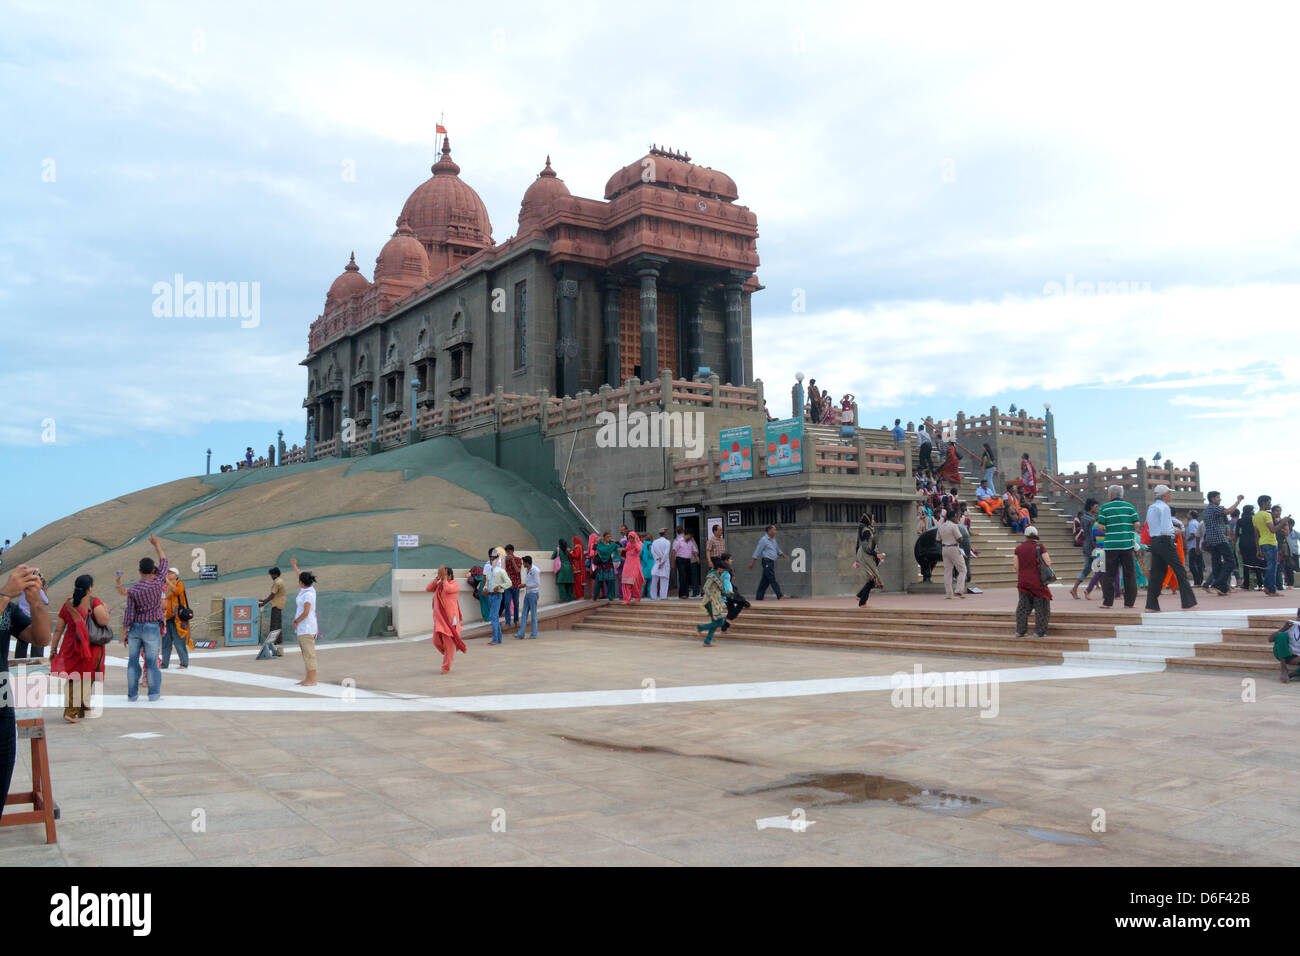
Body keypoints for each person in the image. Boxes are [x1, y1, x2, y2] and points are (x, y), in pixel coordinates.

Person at [1, 563, 51, 820]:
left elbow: (41, 638)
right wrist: (6, 594)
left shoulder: (6, 609)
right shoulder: (3, 601)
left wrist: (35, 601)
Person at [50, 574, 110, 723]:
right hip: (89, 647)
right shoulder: (93, 602)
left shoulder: (68, 605)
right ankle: (71, 712)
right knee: (84, 679)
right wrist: (106, 610)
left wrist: (53, 649)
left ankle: (82, 708)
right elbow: (103, 621)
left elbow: (58, 629)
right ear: (90, 587)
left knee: (73, 678)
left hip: (71, 646)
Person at [118, 534, 169, 702]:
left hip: (135, 628)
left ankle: (132, 695)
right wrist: (157, 545)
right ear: (153, 570)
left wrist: (125, 632)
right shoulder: (157, 583)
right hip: (152, 627)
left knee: (133, 661)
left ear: (139, 571)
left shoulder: (133, 590)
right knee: (152, 661)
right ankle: (153, 694)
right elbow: (164, 563)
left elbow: (129, 613)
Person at [1143, 485, 1197, 612]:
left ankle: (1151, 605)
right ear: (1164, 495)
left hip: (1155, 541)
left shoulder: (1152, 507)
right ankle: (1188, 602)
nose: (1170, 496)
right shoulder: (1164, 507)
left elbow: (1151, 526)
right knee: (1180, 570)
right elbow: (1166, 528)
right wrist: (1175, 531)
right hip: (1165, 540)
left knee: (1157, 572)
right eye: (1169, 493)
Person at [1096, 485, 1140, 609]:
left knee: (1108, 574)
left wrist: (1110, 531)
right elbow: (1136, 524)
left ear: (1110, 495)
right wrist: (1126, 531)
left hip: (1111, 545)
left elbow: (1100, 527)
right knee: (1130, 574)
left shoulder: (1104, 508)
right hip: (1127, 545)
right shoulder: (1129, 506)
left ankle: (1108, 602)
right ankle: (1129, 603)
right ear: (1122, 495)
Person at [1201, 491, 1245, 595]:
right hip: (1220, 538)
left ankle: (1222, 588)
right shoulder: (1214, 508)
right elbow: (1228, 511)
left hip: (1211, 539)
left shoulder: (1206, 510)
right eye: (1217, 497)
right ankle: (1218, 583)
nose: (1219, 499)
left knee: (1216, 563)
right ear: (1212, 499)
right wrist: (1238, 501)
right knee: (1231, 562)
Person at [1014, 527, 1053, 637]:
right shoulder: (1040, 547)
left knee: (1023, 607)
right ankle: (1039, 632)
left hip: (1023, 582)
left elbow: (1016, 566)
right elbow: (1048, 563)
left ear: (1025, 536)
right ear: (1036, 535)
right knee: (1042, 608)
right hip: (1037, 583)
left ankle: (1020, 631)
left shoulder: (1019, 549)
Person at [425, 566, 465, 672]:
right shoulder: (439, 585)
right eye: (443, 574)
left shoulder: (454, 584)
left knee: (448, 643)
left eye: (445, 574)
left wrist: (445, 580)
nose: (443, 577)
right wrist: (437, 578)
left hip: (450, 619)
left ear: (450, 575)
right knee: (435, 641)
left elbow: (448, 589)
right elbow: (428, 589)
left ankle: (446, 666)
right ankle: (449, 652)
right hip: (439, 619)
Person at [289, 557, 319, 684]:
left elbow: (306, 612)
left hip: (307, 627)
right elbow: (300, 575)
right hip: (303, 628)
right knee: (305, 654)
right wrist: (295, 566)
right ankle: (308, 678)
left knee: (309, 654)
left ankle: (312, 680)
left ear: (301, 583)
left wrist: (296, 621)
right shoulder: (307, 588)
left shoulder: (308, 594)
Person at [1255, 496, 1290, 595]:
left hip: (1262, 543)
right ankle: (1271, 589)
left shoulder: (1256, 516)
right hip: (1270, 542)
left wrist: (1258, 549)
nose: (1270, 505)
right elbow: (1273, 530)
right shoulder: (1266, 515)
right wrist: (1283, 521)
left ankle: (1268, 587)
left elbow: (1256, 534)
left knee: (1270, 566)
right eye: (1269, 503)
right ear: (1264, 503)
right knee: (1272, 567)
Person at [697, 554, 734, 646]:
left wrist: (728, 593)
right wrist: (709, 596)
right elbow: (705, 588)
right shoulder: (712, 576)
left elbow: (720, 591)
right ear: (719, 569)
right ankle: (701, 628)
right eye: (723, 569)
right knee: (719, 621)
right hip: (710, 602)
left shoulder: (718, 576)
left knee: (717, 621)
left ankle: (707, 641)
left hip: (716, 602)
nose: (724, 571)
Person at [1068, 498, 1100, 599]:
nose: (1097, 508)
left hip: (1087, 545)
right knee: (1098, 568)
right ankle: (1079, 589)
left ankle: (1075, 589)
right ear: (1091, 507)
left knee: (1094, 568)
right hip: (1092, 546)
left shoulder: (1084, 517)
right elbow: (1093, 535)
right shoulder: (1091, 519)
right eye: (1096, 506)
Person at [160, 568, 190, 669]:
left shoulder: (179, 583)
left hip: (178, 618)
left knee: (179, 642)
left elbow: (177, 591)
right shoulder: (165, 587)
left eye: (171, 573)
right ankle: (164, 663)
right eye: (167, 572)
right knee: (165, 642)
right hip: (166, 618)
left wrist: (167, 580)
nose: (168, 574)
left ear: (176, 575)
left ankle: (184, 663)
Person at [749, 525, 788, 600]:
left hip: (771, 562)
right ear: (769, 531)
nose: (775, 532)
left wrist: (784, 555)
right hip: (766, 561)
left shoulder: (773, 540)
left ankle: (759, 597)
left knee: (765, 581)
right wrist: (752, 562)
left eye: (775, 530)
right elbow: (757, 551)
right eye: (774, 530)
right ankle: (779, 595)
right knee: (772, 578)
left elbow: (777, 549)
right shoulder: (763, 540)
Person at [853, 513, 885, 606]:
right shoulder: (866, 531)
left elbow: (858, 544)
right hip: (865, 555)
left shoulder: (865, 529)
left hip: (864, 555)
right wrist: (876, 554)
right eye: (872, 519)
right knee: (873, 578)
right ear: (868, 520)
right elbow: (865, 546)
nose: (873, 521)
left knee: (872, 578)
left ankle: (860, 596)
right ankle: (862, 602)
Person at [482, 548, 510, 644]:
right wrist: (484, 589)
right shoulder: (490, 571)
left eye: (493, 559)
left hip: (497, 595)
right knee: (494, 617)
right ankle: (498, 639)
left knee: (493, 617)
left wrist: (500, 587)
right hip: (490, 596)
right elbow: (487, 584)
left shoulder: (501, 571)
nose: (491, 560)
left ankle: (495, 639)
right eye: (490, 559)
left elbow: (508, 583)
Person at [937, 511, 966, 599]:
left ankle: (949, 594)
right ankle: (958, 590)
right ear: (953, 517)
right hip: (953, 548)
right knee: (962, 570)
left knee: (947, 571)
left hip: (944, 548)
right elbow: (960, 539)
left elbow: (938, 540)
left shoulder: (941, 526)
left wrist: (946, 541)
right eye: (956, 517)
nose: (957, 518)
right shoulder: (954, 526)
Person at [259, 566, 287, 654]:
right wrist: (264, 600)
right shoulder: (280, 580)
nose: (271, 576)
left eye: (271, 575)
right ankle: (279, 645)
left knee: (274, 626)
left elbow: (272, 595)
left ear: (275, 574)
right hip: (280, 605)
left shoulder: (277, 582)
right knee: (278, 625)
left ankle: (273, 645)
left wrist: (263, 603)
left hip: (276, 605)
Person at [1237, 505, 1264, 591]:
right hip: (1253, 542)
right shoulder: (1254, 519)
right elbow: (1258, 531)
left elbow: (1237, 533)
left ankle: (1246, 585)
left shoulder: (1240, 520)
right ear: (1251, 511)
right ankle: (1260, 584)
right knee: (1257, 563)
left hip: (1243, 542)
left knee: (1246, 564)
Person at [516, 556, 541, 639]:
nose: (522, 564)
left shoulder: (535, 570)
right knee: (524, 614)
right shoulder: (528, 570)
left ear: (527, 563)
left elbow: (537, 584)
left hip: (533, 594)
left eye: (523, 562)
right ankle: (521, 633)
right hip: (528, 594)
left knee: (533, 615)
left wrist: (525, 585)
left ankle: (534, 634)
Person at [593, 532, 619, 604]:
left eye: (610, 536)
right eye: (607, 536)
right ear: (604, 537)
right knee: (598, 582)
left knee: (610, 582)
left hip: (609, 566)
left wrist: (615, 541)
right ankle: (595, 597)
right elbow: (594, 547)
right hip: (601, 567)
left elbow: (620, 545)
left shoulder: (612, 545)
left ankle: (611, 597)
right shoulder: (600, 545)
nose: (609, 538)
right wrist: (596, 541)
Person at [672, 526, 696, 600]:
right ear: (688, 534)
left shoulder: (690, 542)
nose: (691, 537)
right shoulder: (678, 541)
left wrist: (697, 557)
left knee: (687, 577)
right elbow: (673, 552)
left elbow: (694, 550)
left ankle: (686, 593)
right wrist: (673, 563)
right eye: (691, 536)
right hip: (680, 560)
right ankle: (682, 594)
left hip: (687, 560)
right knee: (682, 576)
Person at [621, 532, 645, 603]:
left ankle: (637, 597)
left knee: (634, 582)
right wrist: (621, 549)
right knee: (625, 581)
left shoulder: (639, 543)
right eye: (629, 538)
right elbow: (626, 549)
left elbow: (638, 549)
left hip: (635, 565)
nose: (630, 539)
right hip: (627, 565)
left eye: (631, 537)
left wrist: (635, 541)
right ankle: (626, 599)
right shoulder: (629, 544)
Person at [502, 544, 523, 627]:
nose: (507, 553)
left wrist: (512, 560)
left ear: (512, 551)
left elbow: (517, 570)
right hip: (507, 585)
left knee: (516, 603)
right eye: (506, 552)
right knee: (507, 603)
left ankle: (516, 620)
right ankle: (508, 622)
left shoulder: (518, 559)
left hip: (516, 584)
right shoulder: (504, 560)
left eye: (508, 552)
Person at [650, 528, 672, 600]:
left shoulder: (655, 542)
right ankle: (663, 596)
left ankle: (653, 596)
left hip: (657, 562)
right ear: (665, 534)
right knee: (664, 580)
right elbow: (666, 553)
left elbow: (652, 551)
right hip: (664, 563)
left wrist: (657, 558)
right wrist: (662, 562)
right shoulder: (667, 542)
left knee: (654, 579)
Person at [1185, 509, 1204, 586]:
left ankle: (1197, 580)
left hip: (1193, 546)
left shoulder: (1191, 524)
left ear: (1191, 516)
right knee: (1199, 564)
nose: (1187, 516)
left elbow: (1193, 535)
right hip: (1199, 545)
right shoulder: (1197, 523)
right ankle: (1200, 579)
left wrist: (1185, 540)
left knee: (1192, 564)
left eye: (1188, 514)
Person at [569, 535, 587, 600]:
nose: (573, 542)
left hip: (578, 569)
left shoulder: (577, 547)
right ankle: (581, 596)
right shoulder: (581, 547)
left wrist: (570, 553)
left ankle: (580, 596)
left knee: (578, 584)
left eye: (573, 541)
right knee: (580, 584)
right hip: (580, 568)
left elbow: (576, 556)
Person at [639, 530, 654, 597]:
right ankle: (649, 594)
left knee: (643, 582)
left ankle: (641, 594)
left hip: (644, 565)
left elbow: (640, 555)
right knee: (650, 582)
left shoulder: (643, 545)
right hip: (652, 564)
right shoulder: (653, 545)